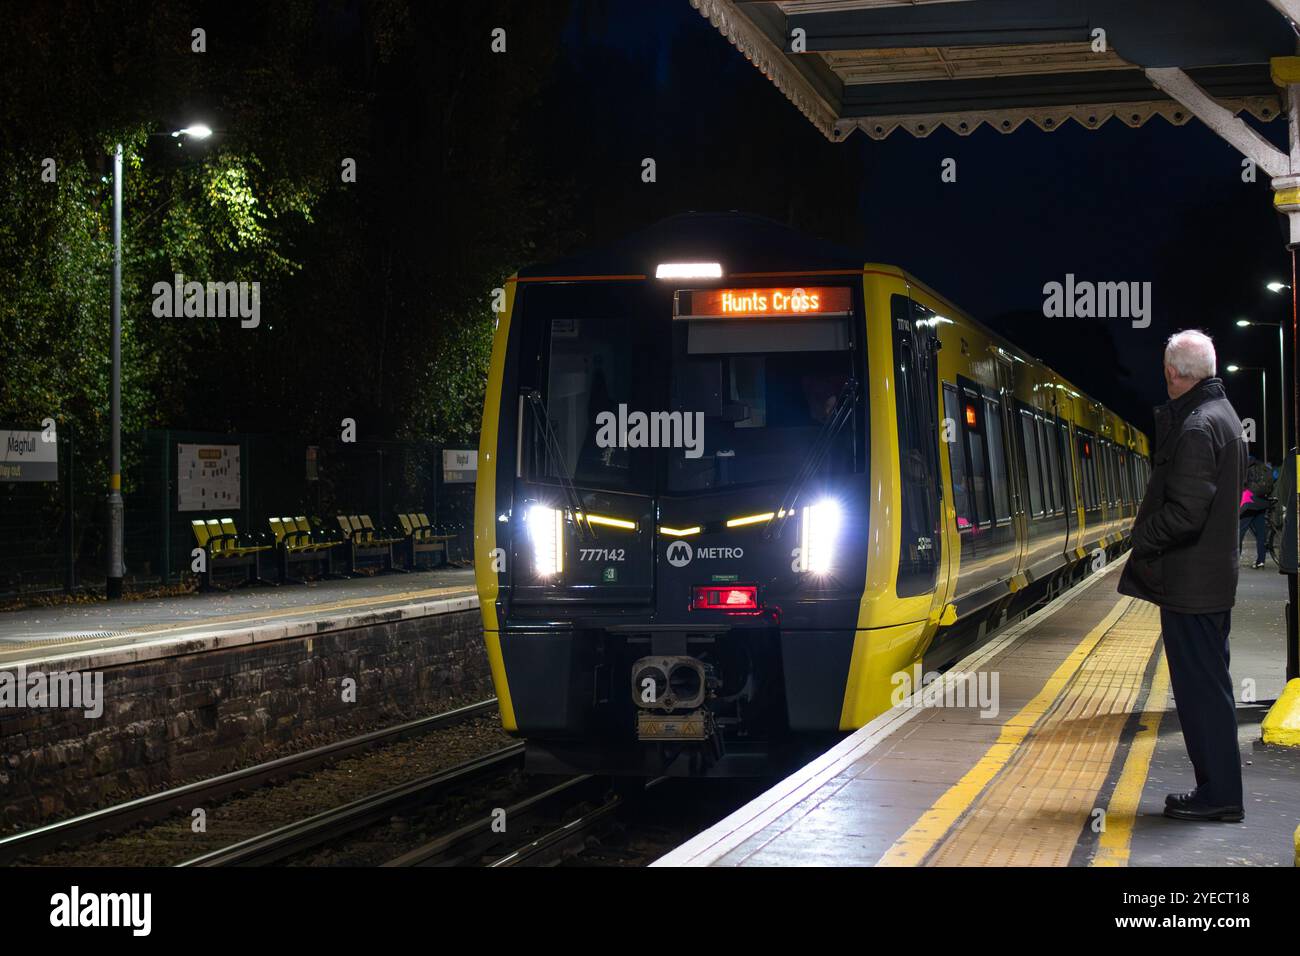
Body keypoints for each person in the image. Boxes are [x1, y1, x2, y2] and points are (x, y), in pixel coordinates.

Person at [1118, 329, 1247, 822]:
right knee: (1210, 689)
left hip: (1192, 585)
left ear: (1173, 373)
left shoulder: (1197, 426)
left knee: (1201, 694)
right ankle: (1218, 790)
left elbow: (1187, 512)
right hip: (1211, 580)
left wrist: (1141, 538)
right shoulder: (1225, 417)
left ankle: (1220, 796)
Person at [1239, 455, 1273, 568]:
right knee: (1261, 534)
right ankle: (1261, 561)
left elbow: (1242, 485)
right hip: (1262, 503)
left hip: (1249, 505)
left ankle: (1234, 560)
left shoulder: (1245, 467)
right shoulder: (1262, 466)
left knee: (1239, 532)